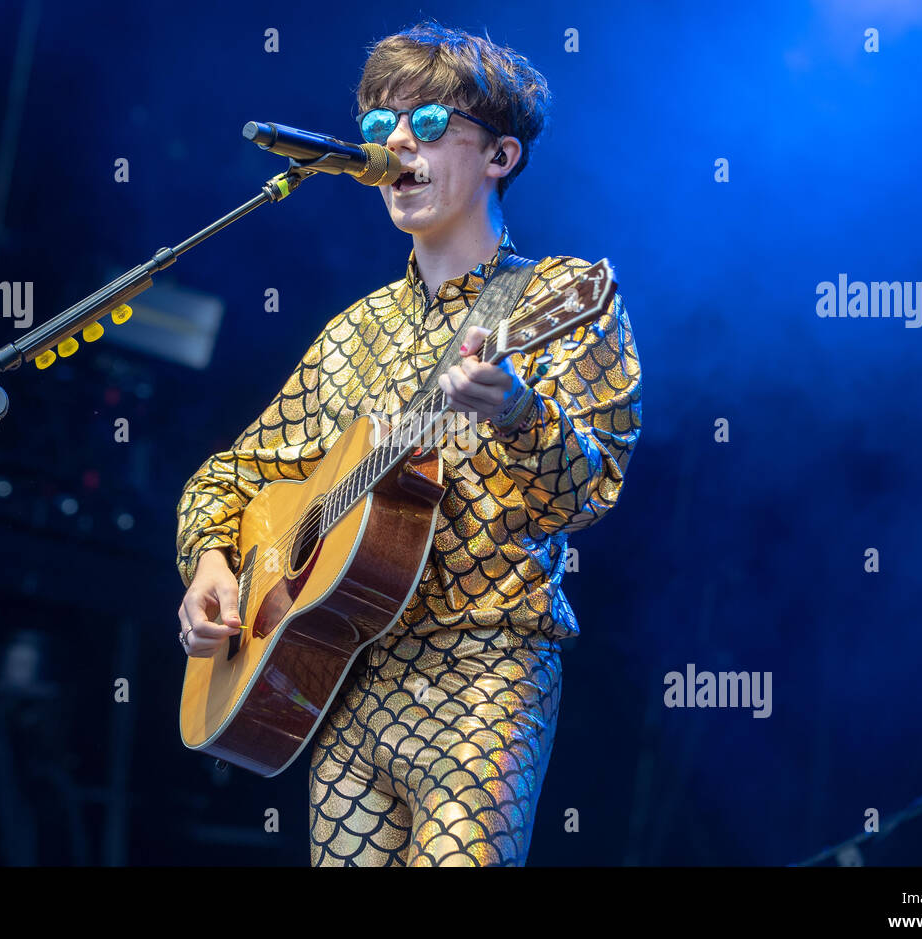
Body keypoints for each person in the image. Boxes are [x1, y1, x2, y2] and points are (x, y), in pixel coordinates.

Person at [175, 20, 642, 866]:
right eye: (379, 127)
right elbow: (234, 474)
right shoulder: (352, 333)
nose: (396, 144)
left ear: (500, 156)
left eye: (428, 125)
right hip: (344, 674)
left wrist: (517, 410)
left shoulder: (560, 295)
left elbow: (588, 491)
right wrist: (211, 563)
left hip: (486, 667)